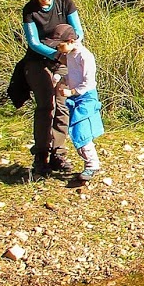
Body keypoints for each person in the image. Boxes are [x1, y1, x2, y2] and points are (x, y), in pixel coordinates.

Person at [14, 0, 83, 178]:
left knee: (62, 104)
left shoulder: (65, 3)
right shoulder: (29, 10)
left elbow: (78, 32)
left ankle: (58, 152)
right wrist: (55, 54)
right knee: (46, 105)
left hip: (64, 57)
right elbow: (33, 42)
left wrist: (69, 49)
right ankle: (41, 156)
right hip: (38, 61)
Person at [53, 24, 104, 182]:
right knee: (75, 132)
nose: (57, 48)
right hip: (76, 97)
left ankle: (92, 165)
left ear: (70, 41)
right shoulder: (70, 55)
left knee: (81, 131)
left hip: (86, 97)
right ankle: (89, 163)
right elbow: (73, 75)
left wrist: (72, 92)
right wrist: (62, 79)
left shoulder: (85, 56)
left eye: (59, 44)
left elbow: (88, 82)